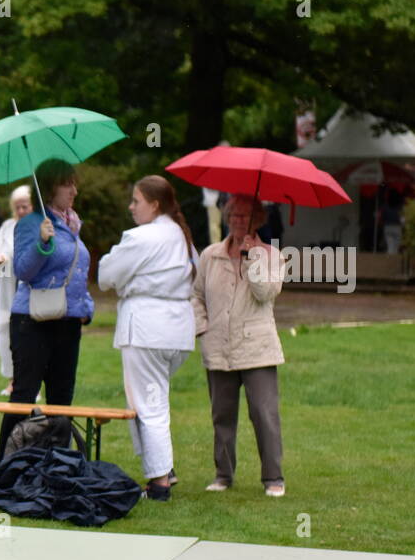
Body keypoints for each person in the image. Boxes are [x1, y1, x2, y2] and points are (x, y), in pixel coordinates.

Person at [97, 175, 199, 501]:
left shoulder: (141, 237)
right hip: (177, 332)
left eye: (136, 201)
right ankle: (162, 469)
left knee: (149, 406)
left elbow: (105, 276)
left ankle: (159, 484)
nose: (131, 207)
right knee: (149, 401)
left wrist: (129, 283)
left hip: (147, 331)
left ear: (154, 205)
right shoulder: (182, 237)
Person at [0, 159, 93, 463]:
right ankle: (6, 463)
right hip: (32, 321)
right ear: (51, 188)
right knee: (24, 395)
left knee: (62, 400)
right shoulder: (31, 223)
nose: (75, 190)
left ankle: (56, 463)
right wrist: (41, 241)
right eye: (68, 184)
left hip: (67, 322)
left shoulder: (72, 224)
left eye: (75, 183)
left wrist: (86, 308)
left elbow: (77, 273)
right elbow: (23, 271)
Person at [191, 194, 287, 497]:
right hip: (218, 346)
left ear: (256, 221)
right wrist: (202, 328)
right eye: (233, 215)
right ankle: (223, 475)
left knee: (263, 413)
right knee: (222, 414)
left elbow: (266, 294)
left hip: (257, 348)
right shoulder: (210, 255)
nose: (237, 221)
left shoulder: (272, 255)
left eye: (244, 217)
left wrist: (253, 258)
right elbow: (196, 295)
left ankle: (273, 478)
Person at [0, 185, 34, 397]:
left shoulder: (38, 227)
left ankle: (30, 383)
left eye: (25, 206)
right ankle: (12, 379)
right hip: (6, 286)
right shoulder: (7, 226)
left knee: (28, 335)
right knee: (4, 331)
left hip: (29, 289)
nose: (21, 211)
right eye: (18, 207)